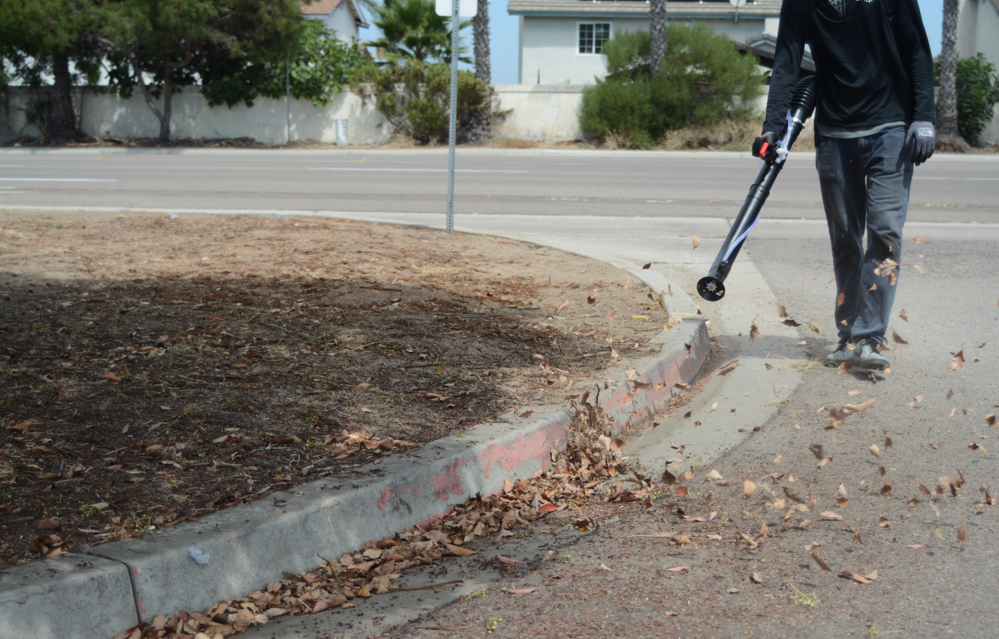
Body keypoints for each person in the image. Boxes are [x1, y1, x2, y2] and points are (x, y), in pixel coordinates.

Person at [754, 0, 936, 369]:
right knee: (845, 238)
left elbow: (917, 48)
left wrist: (924, 116)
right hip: (835, 131)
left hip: (891, 126)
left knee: (885, 229)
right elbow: (786, 60)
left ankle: (869, 336)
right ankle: (848, 332)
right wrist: (773, 125)